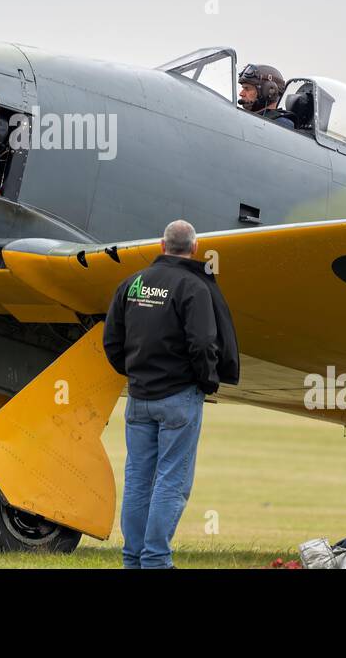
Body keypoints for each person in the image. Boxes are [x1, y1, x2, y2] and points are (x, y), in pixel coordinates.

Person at [103, 219, 241, 569]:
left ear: (161, 246)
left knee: (137, 479)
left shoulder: (131, 284)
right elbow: (203, 342)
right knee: (171, 482)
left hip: (139, 397)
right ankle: (156, 560)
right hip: (179, 397)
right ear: (194, 249)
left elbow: (112, 341)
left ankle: (132, 559)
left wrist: (134, 373)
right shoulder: (193, 287)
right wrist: (207, 380)